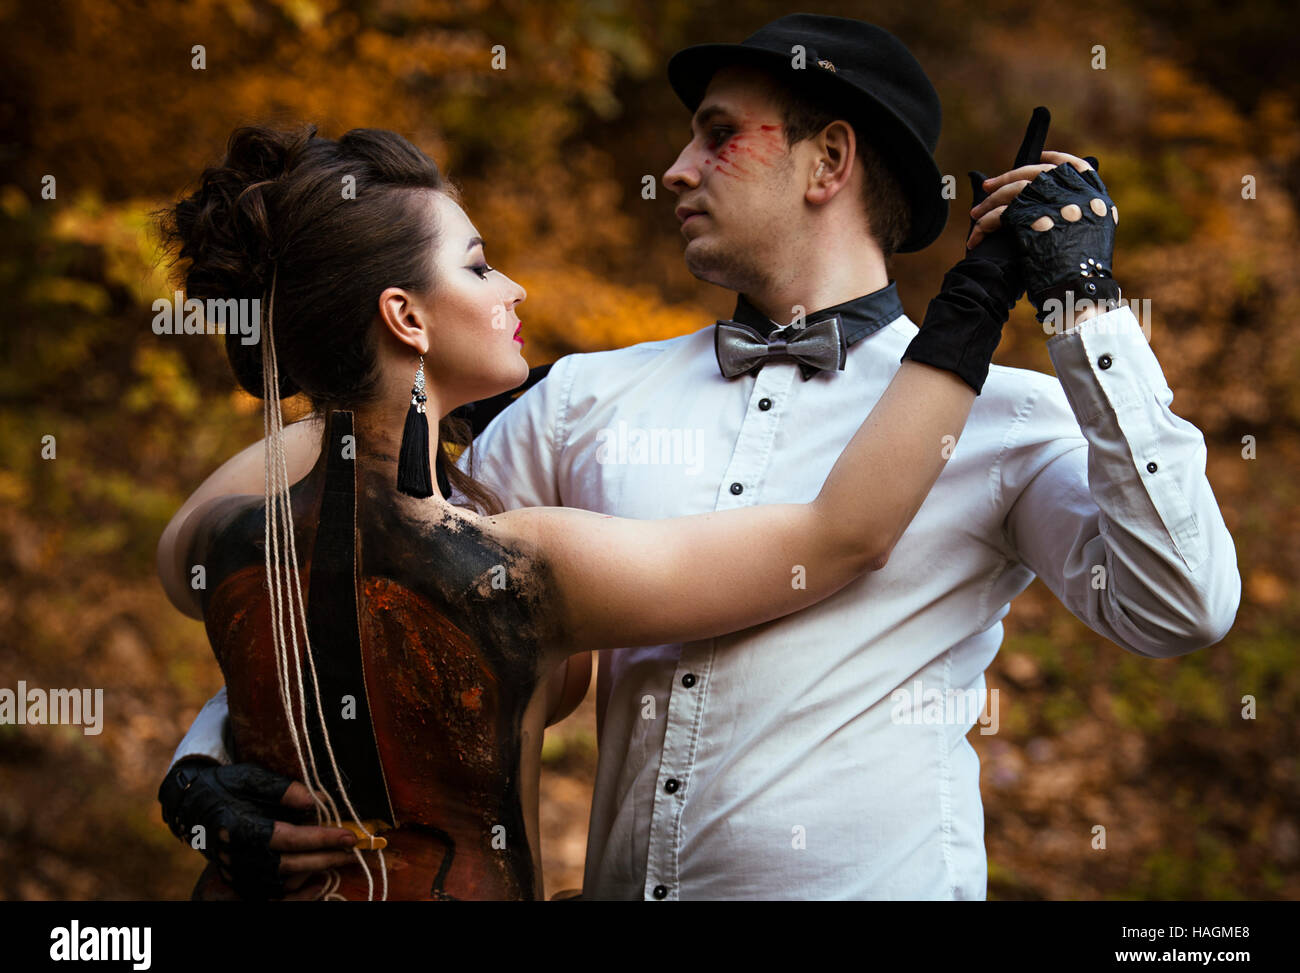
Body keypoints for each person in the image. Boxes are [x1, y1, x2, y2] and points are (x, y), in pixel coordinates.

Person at [161, 15, 1240, 901]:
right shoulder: (583, 397)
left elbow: (1178, 609)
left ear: (830, 160)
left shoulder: (1005, 417)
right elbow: (367, 574)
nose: (672, 171)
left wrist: (1086, 308)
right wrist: (214, 766)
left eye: (717, 136)